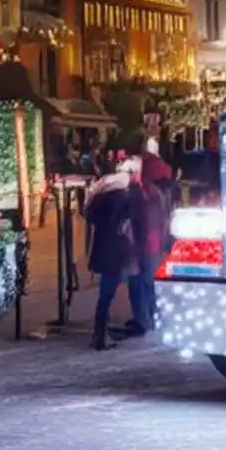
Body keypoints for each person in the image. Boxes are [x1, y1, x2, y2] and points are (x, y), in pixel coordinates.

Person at [84, 157, 143, 350]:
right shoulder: (126, 198)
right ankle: (100, 337)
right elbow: (129, 225)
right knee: (110, 291)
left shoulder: (101, 195)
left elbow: (91, 217)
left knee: (105, 295)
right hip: (118, 251)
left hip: (102, 248)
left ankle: (99, 333)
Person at [124, 139, 172, 337]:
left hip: (145, 244)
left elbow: (142, 221)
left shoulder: (147, 195)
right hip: (154, 244)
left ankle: (144, 318)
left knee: (140, 281)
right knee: (148, 281)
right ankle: (151, 316)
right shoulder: (161, 194)